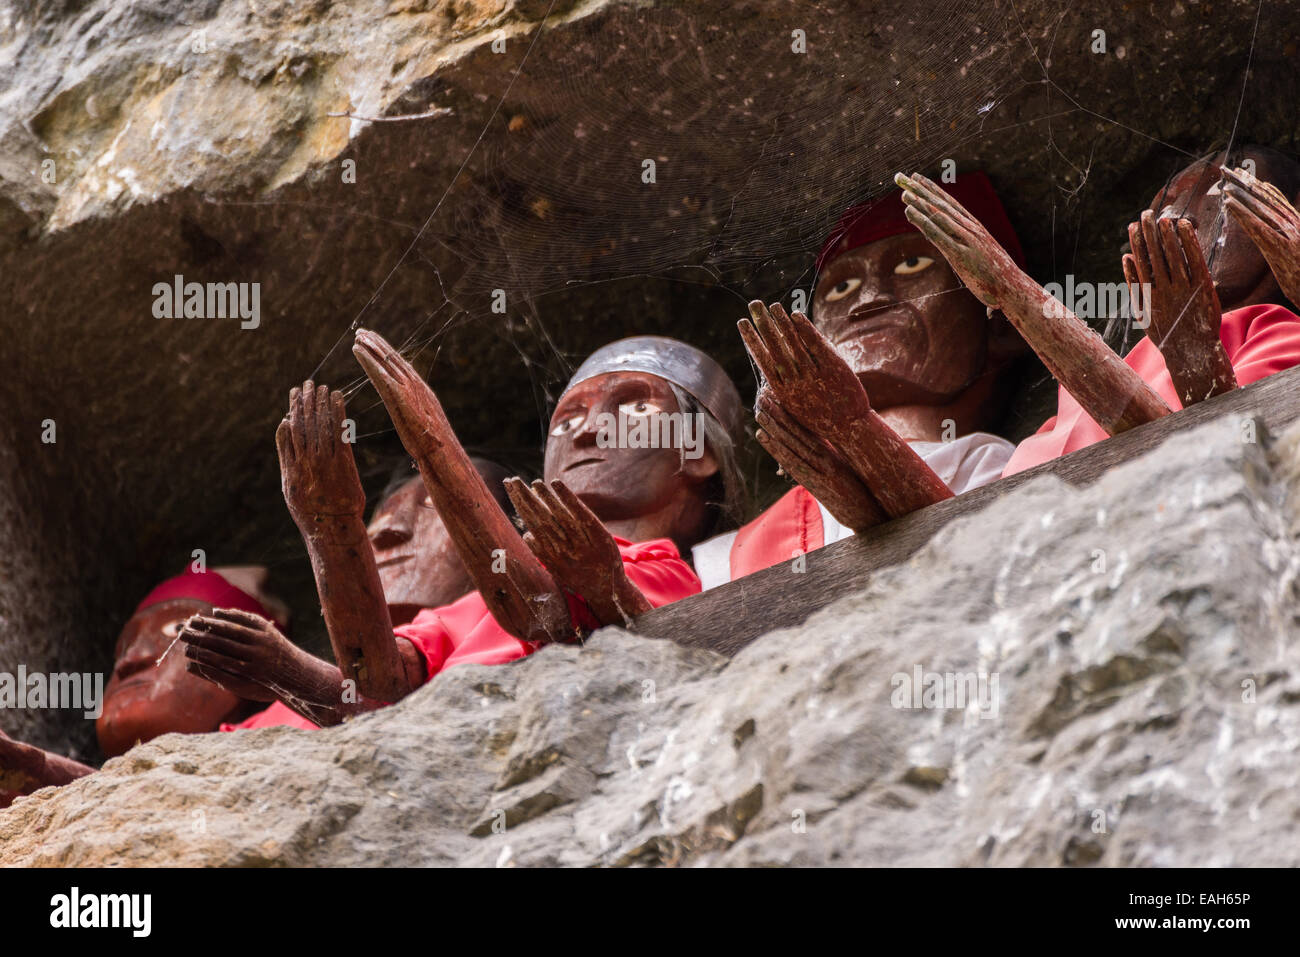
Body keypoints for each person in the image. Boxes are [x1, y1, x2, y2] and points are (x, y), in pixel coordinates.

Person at [180, 333, 743, 711]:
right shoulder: (461, 612)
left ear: (698, 450)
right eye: (567, 416)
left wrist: (433, 442)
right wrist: (329, 526)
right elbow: (377, 690)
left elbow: (537, 610)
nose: (587, 430)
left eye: (634, 407)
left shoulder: (669, 571)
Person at [694, 173, 1031, 587]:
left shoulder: (1026, 472)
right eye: (841, 287)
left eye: (912, 264)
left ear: (1003, 324)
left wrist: (853, 429)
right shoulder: (723, 561)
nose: (867, 301)